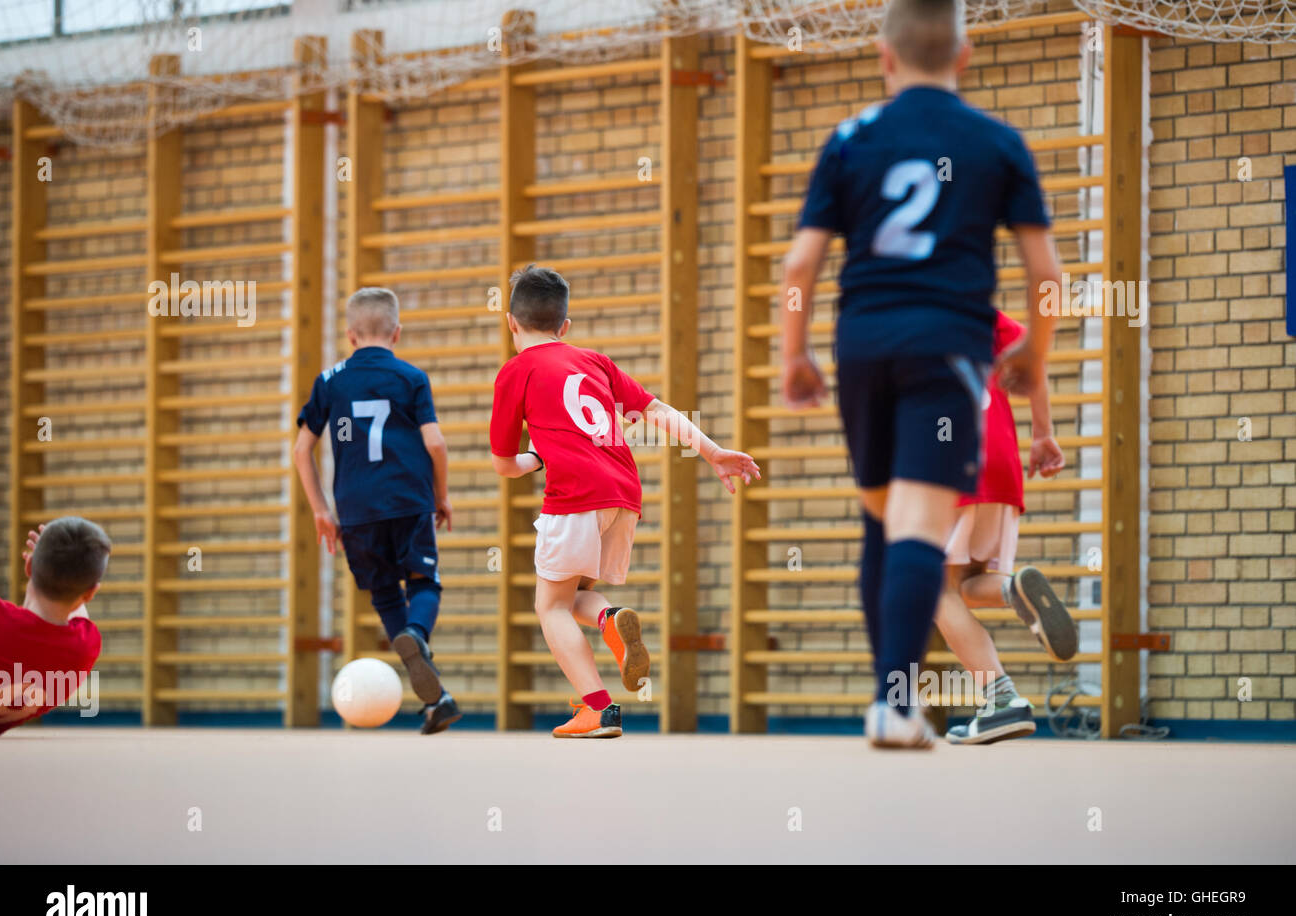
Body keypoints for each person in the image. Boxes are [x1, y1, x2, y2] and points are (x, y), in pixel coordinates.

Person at [779, 0, 1062, 747]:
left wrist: (794, 353)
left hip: (861, 347)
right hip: (946, 352)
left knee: (883, 516)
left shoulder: (850, 139)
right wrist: (1034, 350)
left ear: (884, 56)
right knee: (916, 527)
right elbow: (1046, 273)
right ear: (964, 57)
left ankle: (891, 698)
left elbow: (799, 264)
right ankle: (895, 706)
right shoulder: (998, 143)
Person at [491, 265, 761, 738]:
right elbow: (655, 409)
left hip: (574, 495)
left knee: (549, 607)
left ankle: (598, 708)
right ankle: (609, 618)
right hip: (623, 493)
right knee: (573, 595)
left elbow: (503, 464)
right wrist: (713, 451)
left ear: (511, 321)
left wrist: (534, 459)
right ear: (565, 327)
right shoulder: (595, 361)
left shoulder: (516, 371)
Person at [294, 287, 459, 734]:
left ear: (350, 336)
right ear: (397, 332)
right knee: (424, 582)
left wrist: (320, 511)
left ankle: (436, 699)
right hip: (409, 499)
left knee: (386, 593)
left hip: (356, 508)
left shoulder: (330, 382)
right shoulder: (411, 377)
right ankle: (418, 638)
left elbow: (301, 449)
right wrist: (441, 495)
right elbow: (435, 443)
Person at [935, 310, 1078, 744]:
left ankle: (1000, 698)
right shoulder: (982, 311)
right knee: (964, 584)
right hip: (1000, 463)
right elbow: (1033, 358)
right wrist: (1042, 434)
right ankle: (1010, 589)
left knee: (931, 591)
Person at [0, 518, 111, 736]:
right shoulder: (84, 648)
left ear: (28, 566)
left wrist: (46, 558)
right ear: (91, 593)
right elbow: (33, 634)